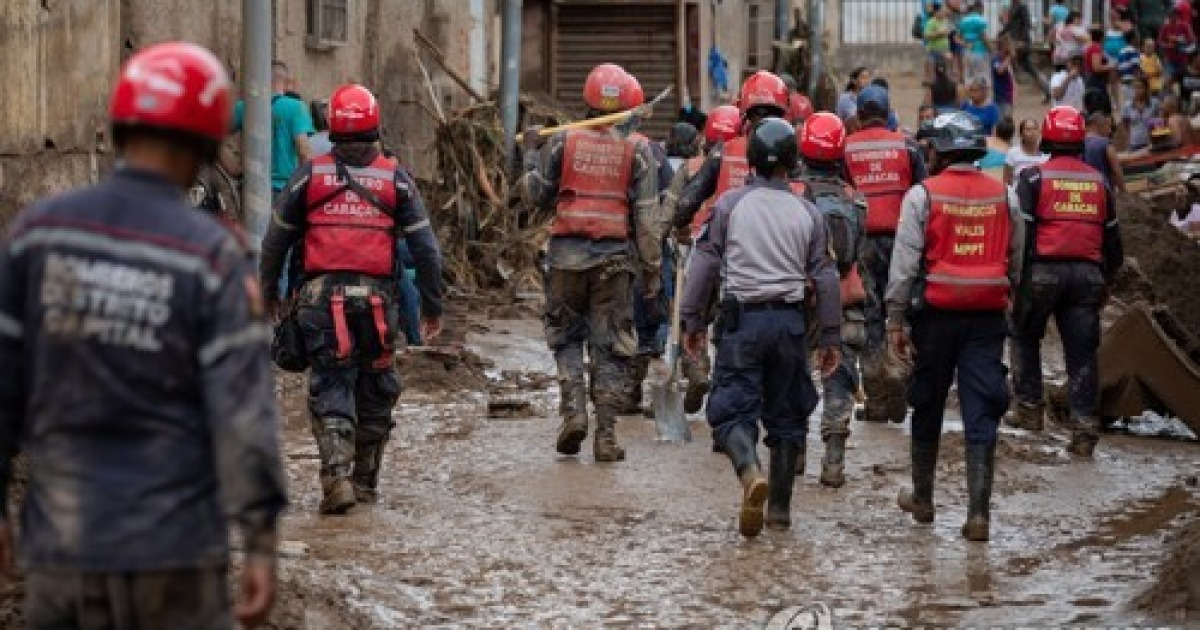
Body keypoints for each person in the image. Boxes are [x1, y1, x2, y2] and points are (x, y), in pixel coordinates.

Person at [0, 42, 286, 628]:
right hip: (175, 551)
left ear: (118, 125)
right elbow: (244, 414)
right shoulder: (215, 256)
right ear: (208, 143)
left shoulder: (37, 235)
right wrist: (259, 538)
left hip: (63, 544)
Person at [262, 84, 446, 512]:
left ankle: (336, 478)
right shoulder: (396, 179)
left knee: (331, 381)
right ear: (375, 126)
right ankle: (364, 482)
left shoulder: (309, 175)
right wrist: (433, 307)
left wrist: (269, 292)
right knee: (378, 386)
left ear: (331, 128)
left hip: (320, 303)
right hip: (379, 305)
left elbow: (275, 242)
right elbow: (427, 252)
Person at [680, 117, 841, 537]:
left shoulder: (731, 205)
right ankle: (781, 513)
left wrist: (691, 320)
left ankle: (751, 472)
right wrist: (830, 337)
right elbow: (825, 276)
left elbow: (705, 263)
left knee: (731, 411)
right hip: (789, 325)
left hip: (742, 324)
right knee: (788, 418)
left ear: (751, 160)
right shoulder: (808, 212)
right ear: (793, 162)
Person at [887, 112, 1025, 542]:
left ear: (941, 151)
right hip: (987, 318)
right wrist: (1012, 292)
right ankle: (978, 515)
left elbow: (904, 264)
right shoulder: (1006, 196)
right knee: (981, 406)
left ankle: (923, 498)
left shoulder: (922, 196)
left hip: (935, 318)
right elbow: (1017, 255)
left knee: (927, 402)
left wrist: (895, 318)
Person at [521, 63, 661, 463]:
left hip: (565, 257)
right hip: (614, 262)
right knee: (612, 345)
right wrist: (651, 271)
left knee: (565, 338)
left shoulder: (563, 142)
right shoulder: (638, 149)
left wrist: (531, 155)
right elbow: (648, 221)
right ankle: (606, 436)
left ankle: (574, 413)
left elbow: (535, 197)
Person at [1010, 106, 1124, 458]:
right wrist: (1106, 281)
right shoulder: (1099, 182)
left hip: (1042, 273)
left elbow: (1022, 237)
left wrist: (1017, 282)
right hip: (1088, 276)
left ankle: (1030, 410)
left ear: (1046, 139)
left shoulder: (1031, 178)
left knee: (1025, 335)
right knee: (1082, 354)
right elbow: (1113, 242)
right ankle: (1085, 429)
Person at [790, 113, 868, 488]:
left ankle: (795, 456)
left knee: (796, 371)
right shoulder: (855, 198)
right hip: (843, 296)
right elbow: (860, 254)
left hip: (800, 294)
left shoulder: (790, 194)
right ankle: (833, 464)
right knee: (840, 375)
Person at [844, 86, 929, 424]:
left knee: (869, 317)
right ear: (888, 111)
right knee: (903, 311)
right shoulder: (907, 146)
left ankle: (878, 399)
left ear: (860, 115)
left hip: (862, 243)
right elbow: (925, 194)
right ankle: (902, 380)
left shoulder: (846, 147)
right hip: (903, 241)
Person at [663, 105, 741, 416]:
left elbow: (677, 204)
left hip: (694, 248)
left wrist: (667, 231)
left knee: (691, 315)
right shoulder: (744, 162)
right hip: (731, 252)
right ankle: (721, 388)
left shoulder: (694, 166)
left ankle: (695, 369)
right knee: (721, 319)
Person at [673, 71, 791, 241]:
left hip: (728, 251)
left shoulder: (723, 151)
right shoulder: (792, 153)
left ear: (744, 111)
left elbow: (685, 205)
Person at [234, 61, 314, 196]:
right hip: (284, 189)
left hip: (250, 189)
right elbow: (304, 151)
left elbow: (211, 137)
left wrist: (233, 169)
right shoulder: (296, 107)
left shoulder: (243, 107)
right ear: (287, 82)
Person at [999, 0, 1051, 102]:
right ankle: (1047, 90)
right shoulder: (1013, 6)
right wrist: (1001, 33)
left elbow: (1027, 24)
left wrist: (1022, 40)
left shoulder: (1022, 7)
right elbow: (1009, 25)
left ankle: (1047, 90)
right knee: (1024, 66)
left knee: (1012, 64)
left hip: (1021, 42)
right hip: (1015, 40)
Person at [1084, 112, 1128, 193]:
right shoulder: (1105, 143)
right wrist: (1123, 191)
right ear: (1097, 126)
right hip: (1105, 191)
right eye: (1107, 126)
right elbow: (1116, 170)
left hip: (1087, 193)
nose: (1109, 131)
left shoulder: (1078, 145)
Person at [1005, 118, 1049, 186]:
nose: (1032, 132)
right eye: (1028, 129)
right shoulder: (1013, 153)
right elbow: (1007, 179)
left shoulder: (1046, 154)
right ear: (1021, 134)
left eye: (1035, 129)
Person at [1160, 3, 1197, 82]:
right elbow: (1160, 42)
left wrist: (1180, 40)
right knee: (1171, 79)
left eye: (1174, 15)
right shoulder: (1165, 27)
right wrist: (1168, 45)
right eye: (1170, 16)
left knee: (1182, 79)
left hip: (1183, 58)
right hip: (1169, 58)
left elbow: (1192, 41)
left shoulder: (1185, 26)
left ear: (1177, 15)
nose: (1172, 17)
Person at [1122, 77, 1161, 150]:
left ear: (1146, 89)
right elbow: (1126, 126)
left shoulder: (1154, 103)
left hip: (1151, 142)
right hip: (1134, 143)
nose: (1137, 91)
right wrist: (1128, 142)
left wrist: (1155, 139)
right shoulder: (1127, 105)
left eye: (1140, 88)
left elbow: (1158, 122)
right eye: (1135, 88)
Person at [1083, 25, 1115, 114]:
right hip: (1096, 82)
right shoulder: (1096, 48)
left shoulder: (1092, 47)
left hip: (1096, 81)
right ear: (1102, 37)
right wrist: (1111, 66)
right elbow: (1096, 67)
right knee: (1101, 109)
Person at [959, 1, 991, 87]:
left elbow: (959, 37)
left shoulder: (964, 20)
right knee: (982, 77)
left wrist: (966, 43)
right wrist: (991, 50)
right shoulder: (981, 20)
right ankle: (982, 98)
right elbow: (984, 37)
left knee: (969, 77)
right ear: (981, 8)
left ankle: (970, 98)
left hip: (967, 52)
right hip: (980, 51)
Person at [992, 36, 1018, 118]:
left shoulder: (1008, 61)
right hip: (1000, 97)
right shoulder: (996, 59)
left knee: (1007, 121)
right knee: (1003, 122)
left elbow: (1012, 78)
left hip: (1008, 96)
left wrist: (1014, 94)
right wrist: (1009, 57)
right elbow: (1000, 70)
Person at [1116, 30, 1143, 107]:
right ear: (1133, 39)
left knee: (1127, 104)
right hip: (1132, 83)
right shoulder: (1133, 51)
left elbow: (1118, 68)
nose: (1139, 38)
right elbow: (1136, 67)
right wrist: (1140, 81)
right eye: (1137, 36)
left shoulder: (1121, 51)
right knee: (1135, 105)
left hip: (1124, 83)